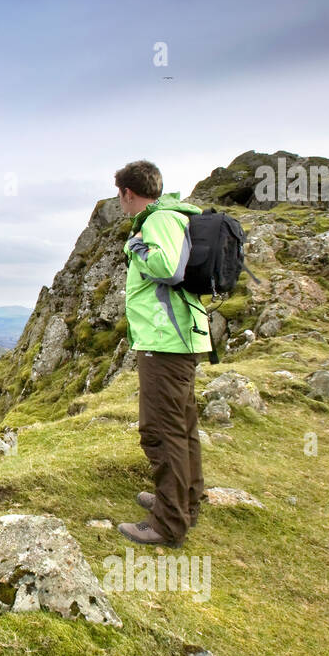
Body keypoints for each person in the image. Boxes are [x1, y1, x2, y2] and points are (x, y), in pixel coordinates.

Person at [113, 160, 212, 548]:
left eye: (120, 195)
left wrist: (134, 245)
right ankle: (185, 501)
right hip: (178, 339)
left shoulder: (156, 222)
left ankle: (168, 523)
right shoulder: (174, 217)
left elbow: (167, 268)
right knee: (182, 426)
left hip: (164, 342)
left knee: (159, 430)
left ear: (127, 193)